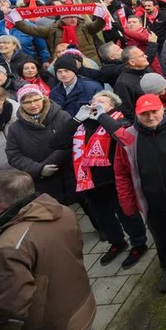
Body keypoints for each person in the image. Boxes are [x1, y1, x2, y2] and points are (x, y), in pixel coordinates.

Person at [96, 94, 166, 293]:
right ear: (137, 115)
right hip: (151, 198)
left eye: (153, 111)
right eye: (144, 114)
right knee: (161, 236)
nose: (150, 117)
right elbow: (121, 172)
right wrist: (127, 201)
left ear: (162, 109)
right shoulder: (128, 136)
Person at [0, 169, 95, 330]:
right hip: (80, 309)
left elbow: (8, 309)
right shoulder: (62, 211)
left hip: (53, 326)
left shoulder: (9, 248)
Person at [55, 91, 149, 270]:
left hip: (114, 180)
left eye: (102, 102)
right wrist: (76, 119)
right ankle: (117, 242)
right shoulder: (82, 126)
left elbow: (123, 137)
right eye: (93, 101)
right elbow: (56, 142)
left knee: (126, 214)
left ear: (112, 106)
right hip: (89, 182)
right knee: (103, 217)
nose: (95, 104)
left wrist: (102, 117)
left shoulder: (120, 120)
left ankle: (139, 243)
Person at [5, 85, 73, 204]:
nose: (32, 105)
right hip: (42, 181)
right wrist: (39, 169)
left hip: (70, 174)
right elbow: (14, 155)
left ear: (43, 98)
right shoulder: (15, 128)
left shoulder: (62, 116)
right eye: (27, 102)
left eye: (36, 100)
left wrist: (51, 162)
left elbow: (71, 142)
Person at [11, 8, 107, 64]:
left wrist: (101, 14)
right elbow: (30, 30)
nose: (73, 19)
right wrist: (16, 19)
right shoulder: (52, 30)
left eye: (75, 17)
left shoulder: (85, 27)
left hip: (89, 61)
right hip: (64, 63)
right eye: (70, 17)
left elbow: (99, 24)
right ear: (63, 19)